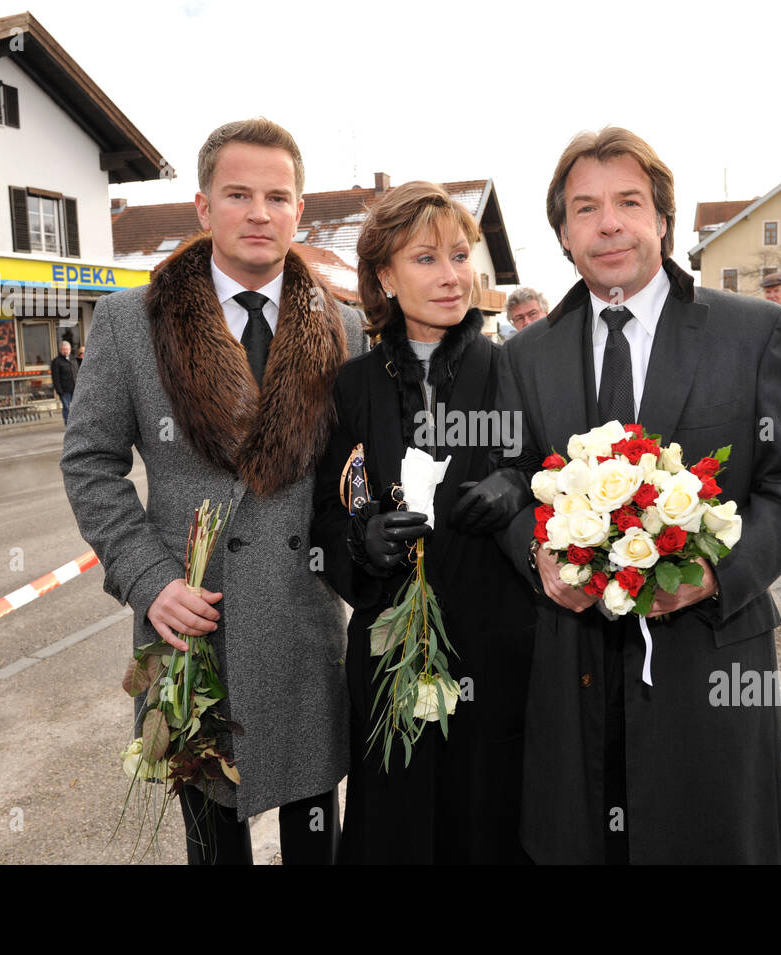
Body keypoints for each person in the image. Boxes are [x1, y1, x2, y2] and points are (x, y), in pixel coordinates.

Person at [495, 127, 781, 864]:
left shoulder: (755, 333)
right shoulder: (523, 357)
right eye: (585, 208)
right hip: (571, 670)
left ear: (663, 221)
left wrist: (713, 574)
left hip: (704, 667)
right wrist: (537, 555)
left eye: (628, 202)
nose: (608, 223)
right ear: (562, 234)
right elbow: (509, 484)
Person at [61, 118, 366, 865]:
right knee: (213, 845)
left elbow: (358, 477)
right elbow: (90, 461)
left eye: (278, 196)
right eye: (239, 194)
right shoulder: (136, 321)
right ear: (203, 208)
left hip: (301, 622)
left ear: (299, 212)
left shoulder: (348, 328)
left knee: (314, 833)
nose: (260, 213)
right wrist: (148, 580)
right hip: (192, 621)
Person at [311, 181, 535, 864]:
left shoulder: (510, 369)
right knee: (396, 823)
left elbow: (547, 472)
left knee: (486, 814)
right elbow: (324, 511)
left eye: (460, 256)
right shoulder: (352, 385)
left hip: (494, 646)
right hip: (392, 651)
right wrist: (362, 542)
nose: (450, 277)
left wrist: (513, 488)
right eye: (425, 259)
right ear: (384, 274)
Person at [51, 340, 77, 424]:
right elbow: (55, 377)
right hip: (64, 389)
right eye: (64, 349)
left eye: (67, 349)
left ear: (70, 349)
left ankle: (75, 423)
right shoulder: (56, 361)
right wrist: (59, 390)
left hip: (75, 388)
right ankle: (68, 423)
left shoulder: (73, 359)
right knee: (66, 407)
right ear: (60, 350)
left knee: (75, 407)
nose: (66, 351)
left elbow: (77, 372)